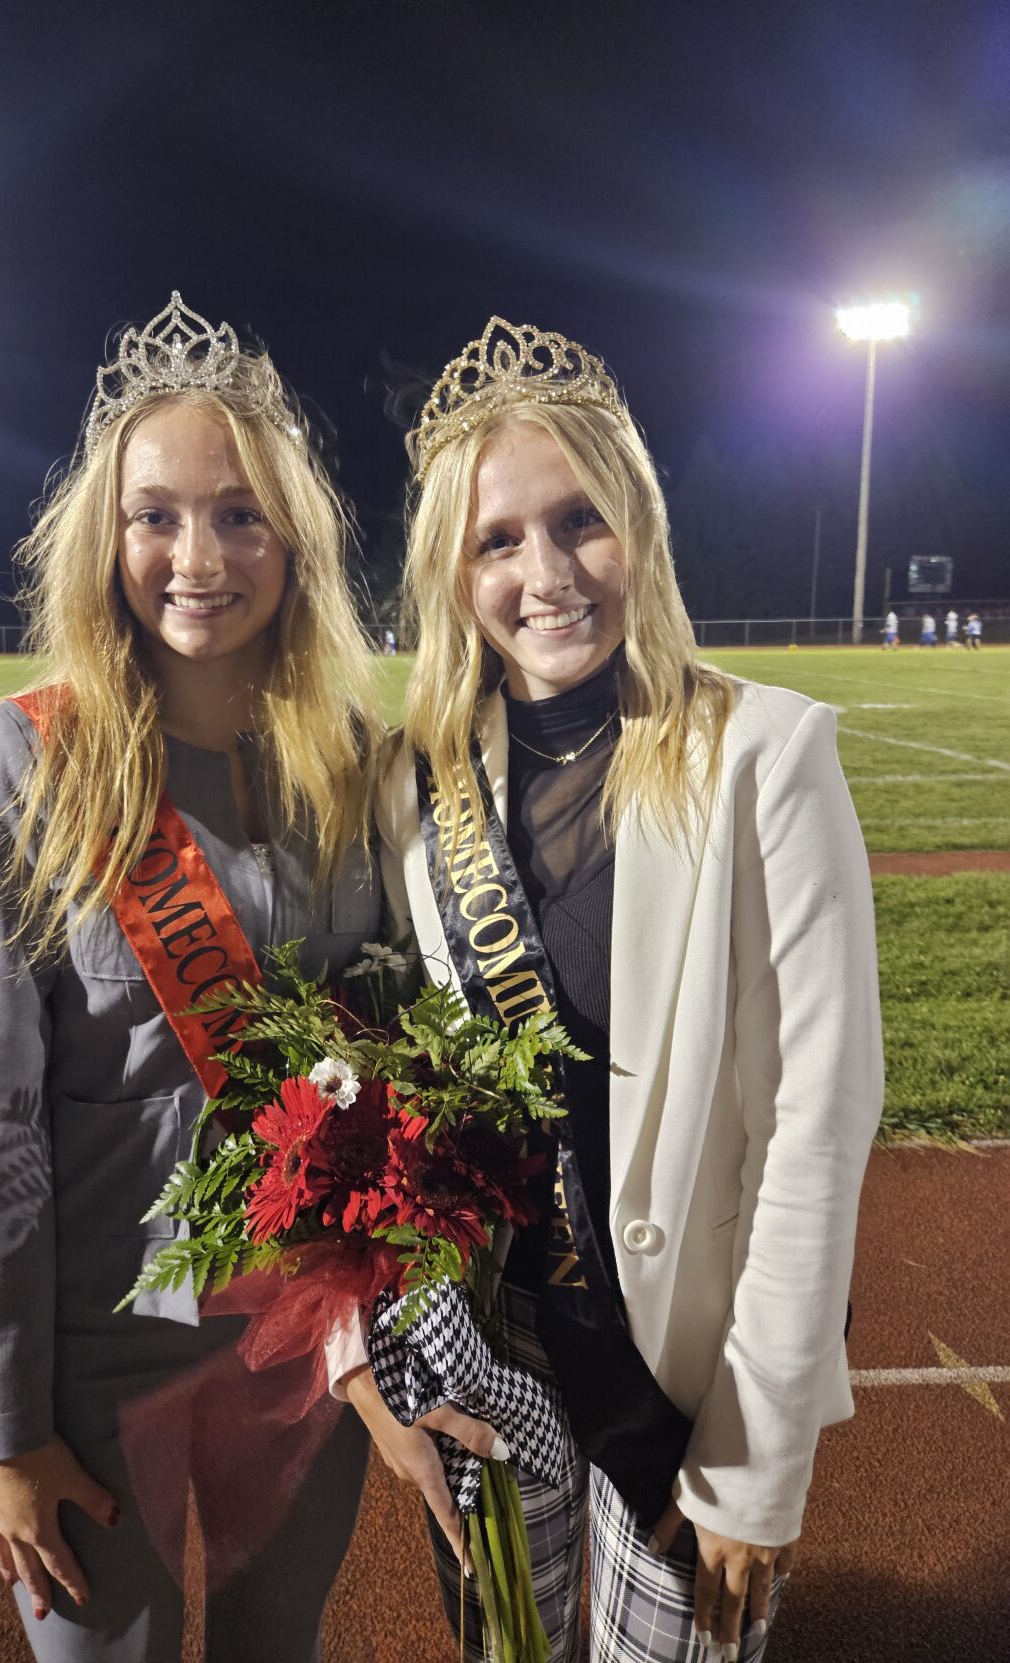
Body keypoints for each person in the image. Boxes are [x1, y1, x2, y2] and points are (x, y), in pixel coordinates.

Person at [329, 317, 883, 1662]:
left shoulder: (764, 757)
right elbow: (357, 1077)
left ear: (639, 524)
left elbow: (816, 1124)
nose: (548, 574)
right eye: (498, 541)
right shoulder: (407, 784)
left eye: (581, 521)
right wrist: (371, 1355)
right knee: (504, 1649)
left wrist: (760, 1462)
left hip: (683, 1368)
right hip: (484, 1345)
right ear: (451, 573)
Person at [0, 293, 381, 1663]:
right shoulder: (25, 759)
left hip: (299, 1341)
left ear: (293, 538)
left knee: (276, 1646)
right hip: (95, 1350)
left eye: (240, 514)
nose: (199, 556)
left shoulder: (351, 761)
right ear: (104, 538)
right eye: (156, 516)